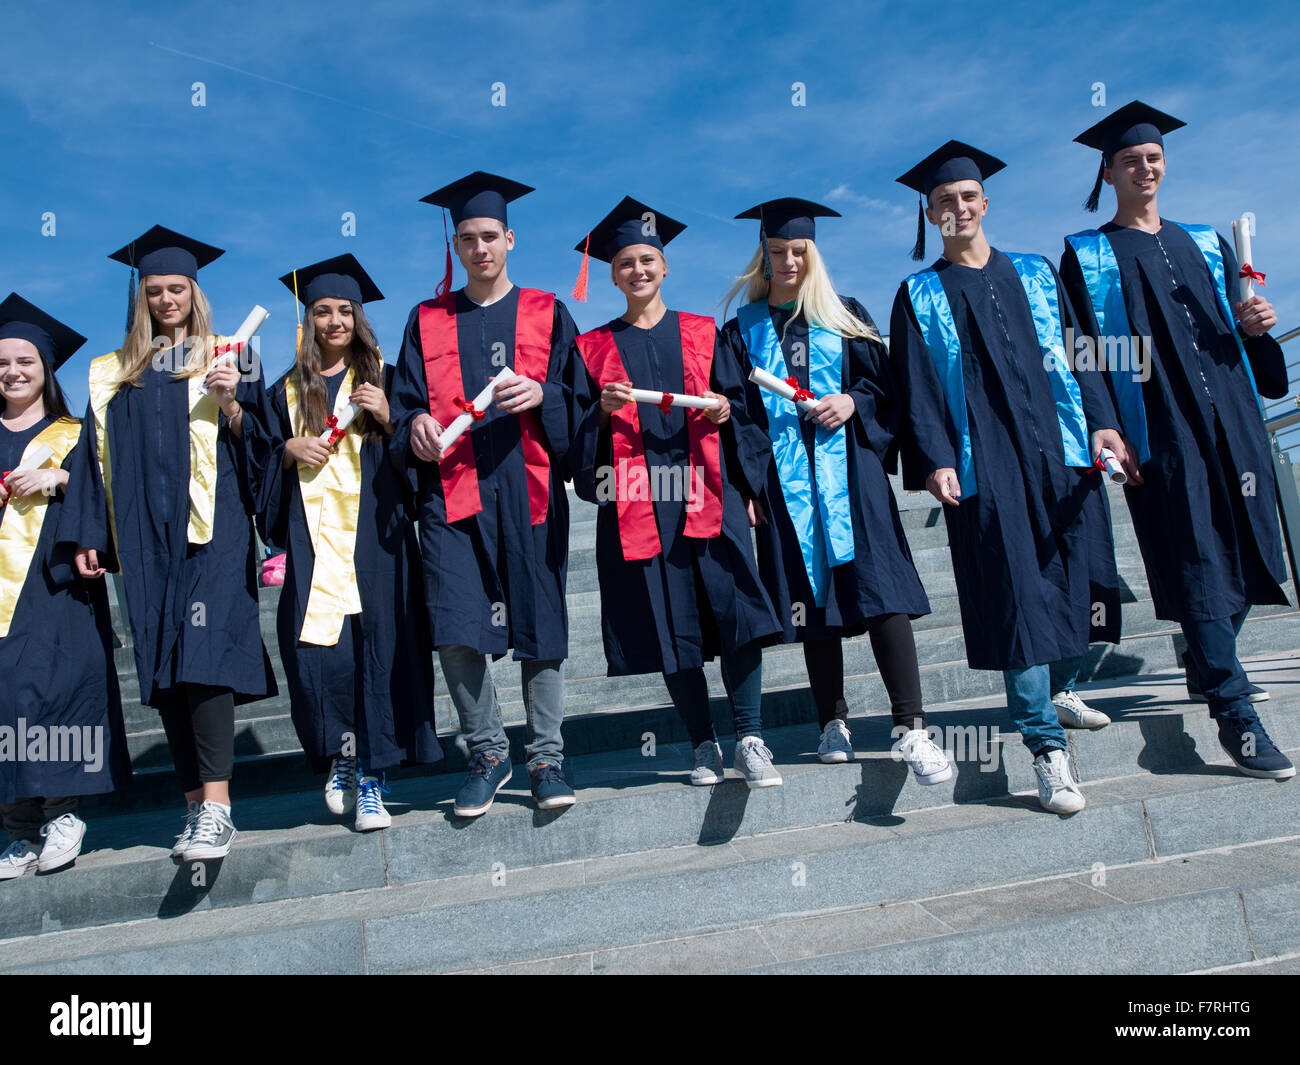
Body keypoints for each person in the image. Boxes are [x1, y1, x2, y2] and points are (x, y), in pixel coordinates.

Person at [1060, 101, 1294, 780]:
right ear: (1108, 171)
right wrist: (1106, 423)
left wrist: (1258, 327)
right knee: (1194, 555)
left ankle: (1202, 656)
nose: (1145, 166)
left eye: (1154, 156)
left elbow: (1242, 335)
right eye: (1131, 159)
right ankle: (1233, 712)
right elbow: (1085, 352)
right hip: (1160, 425)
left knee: (1248, 548)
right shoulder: (1088, 255)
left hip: (1235, 418)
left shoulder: (1204, 240)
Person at [889, 143, 1125, 814]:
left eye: (968, 197)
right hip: (982, 459)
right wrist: (935, 458)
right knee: (1019, 592)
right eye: (945, 202)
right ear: (930, 214)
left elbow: (1080, 352)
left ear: (984, 203)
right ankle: (1046, 749)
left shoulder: (1036, 272)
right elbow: (916, 389)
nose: (958, 208)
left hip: (1061, 444)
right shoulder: (919, 293)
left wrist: (1103, 422)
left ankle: (1062, 686)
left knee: (1077, 572)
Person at [58, 225, 277, 860]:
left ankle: (218, 808)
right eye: (153, 291)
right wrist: (89, 534)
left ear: (194, 291)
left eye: (176, 288)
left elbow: (265, 449)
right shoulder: (112, 375)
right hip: (145, 545)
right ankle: (193, 810)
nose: (165, 299)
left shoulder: (230, 356)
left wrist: (233, 404)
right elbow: (92, 461)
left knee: (203, 658)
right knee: (164, 670)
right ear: (141, 297)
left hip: (213, 535)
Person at [721, 198, 949, 783]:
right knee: (811, 604)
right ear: (764, 257)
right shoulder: (740, 332)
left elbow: (885, 389)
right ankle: (833, 722)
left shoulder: (845, 315)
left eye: (799, 251)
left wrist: (852, 401)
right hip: (785, 485)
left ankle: (912, 728)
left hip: (854, 479)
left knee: (882, 594)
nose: (789, 261)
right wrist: (749, 483)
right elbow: (738, 413)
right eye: (778, 252)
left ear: (812, 254)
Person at [568, 196, 784, 788]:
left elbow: (745, 410)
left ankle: (751, 736)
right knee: (670, 621)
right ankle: (702, 744)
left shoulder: (704, 332)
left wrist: (724, 416)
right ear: (612, 274)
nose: (637, 270)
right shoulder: (589, 350)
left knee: (734, 611)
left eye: (647, 260)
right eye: (625, 264)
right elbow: (575, 440)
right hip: (639, 499)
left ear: (666, 268)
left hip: (709, 494)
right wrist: (598, 415)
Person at [389, 172, 578, 816]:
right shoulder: (427, 318)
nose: (479, 249)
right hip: (451, 497)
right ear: (456, 244)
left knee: (539, 619)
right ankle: (488, 752)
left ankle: (547, 761)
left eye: (490, 237)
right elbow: (405, 401)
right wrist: (412, 422)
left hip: (528, 490)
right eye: (467, 238)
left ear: (510, 239)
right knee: (454, 622)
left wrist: (545, 397)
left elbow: (577, 402)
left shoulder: (547, 312)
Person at [243, 254, 442, 832]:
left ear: (359, 318)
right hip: (310, 543)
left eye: (345, 311)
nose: (335, 321)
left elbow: (421, 452)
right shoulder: (282, 391)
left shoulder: (388, 375)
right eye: (323, 311)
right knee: (322, 656)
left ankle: (376, 779)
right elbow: (256, 461)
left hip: (376, 541)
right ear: (307, 320)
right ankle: (341, 762)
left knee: (380, 649)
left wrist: (391, 421)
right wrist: (286, 452)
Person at [0, 294, 130, 879]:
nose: (12, 372)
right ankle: (18, 830)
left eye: (25, 361)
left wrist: (59, 476)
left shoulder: (77, 435)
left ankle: (62, 814)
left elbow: (112, 494)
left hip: (54, 589)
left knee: (55, 691)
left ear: (46, 370)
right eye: (2, 362)